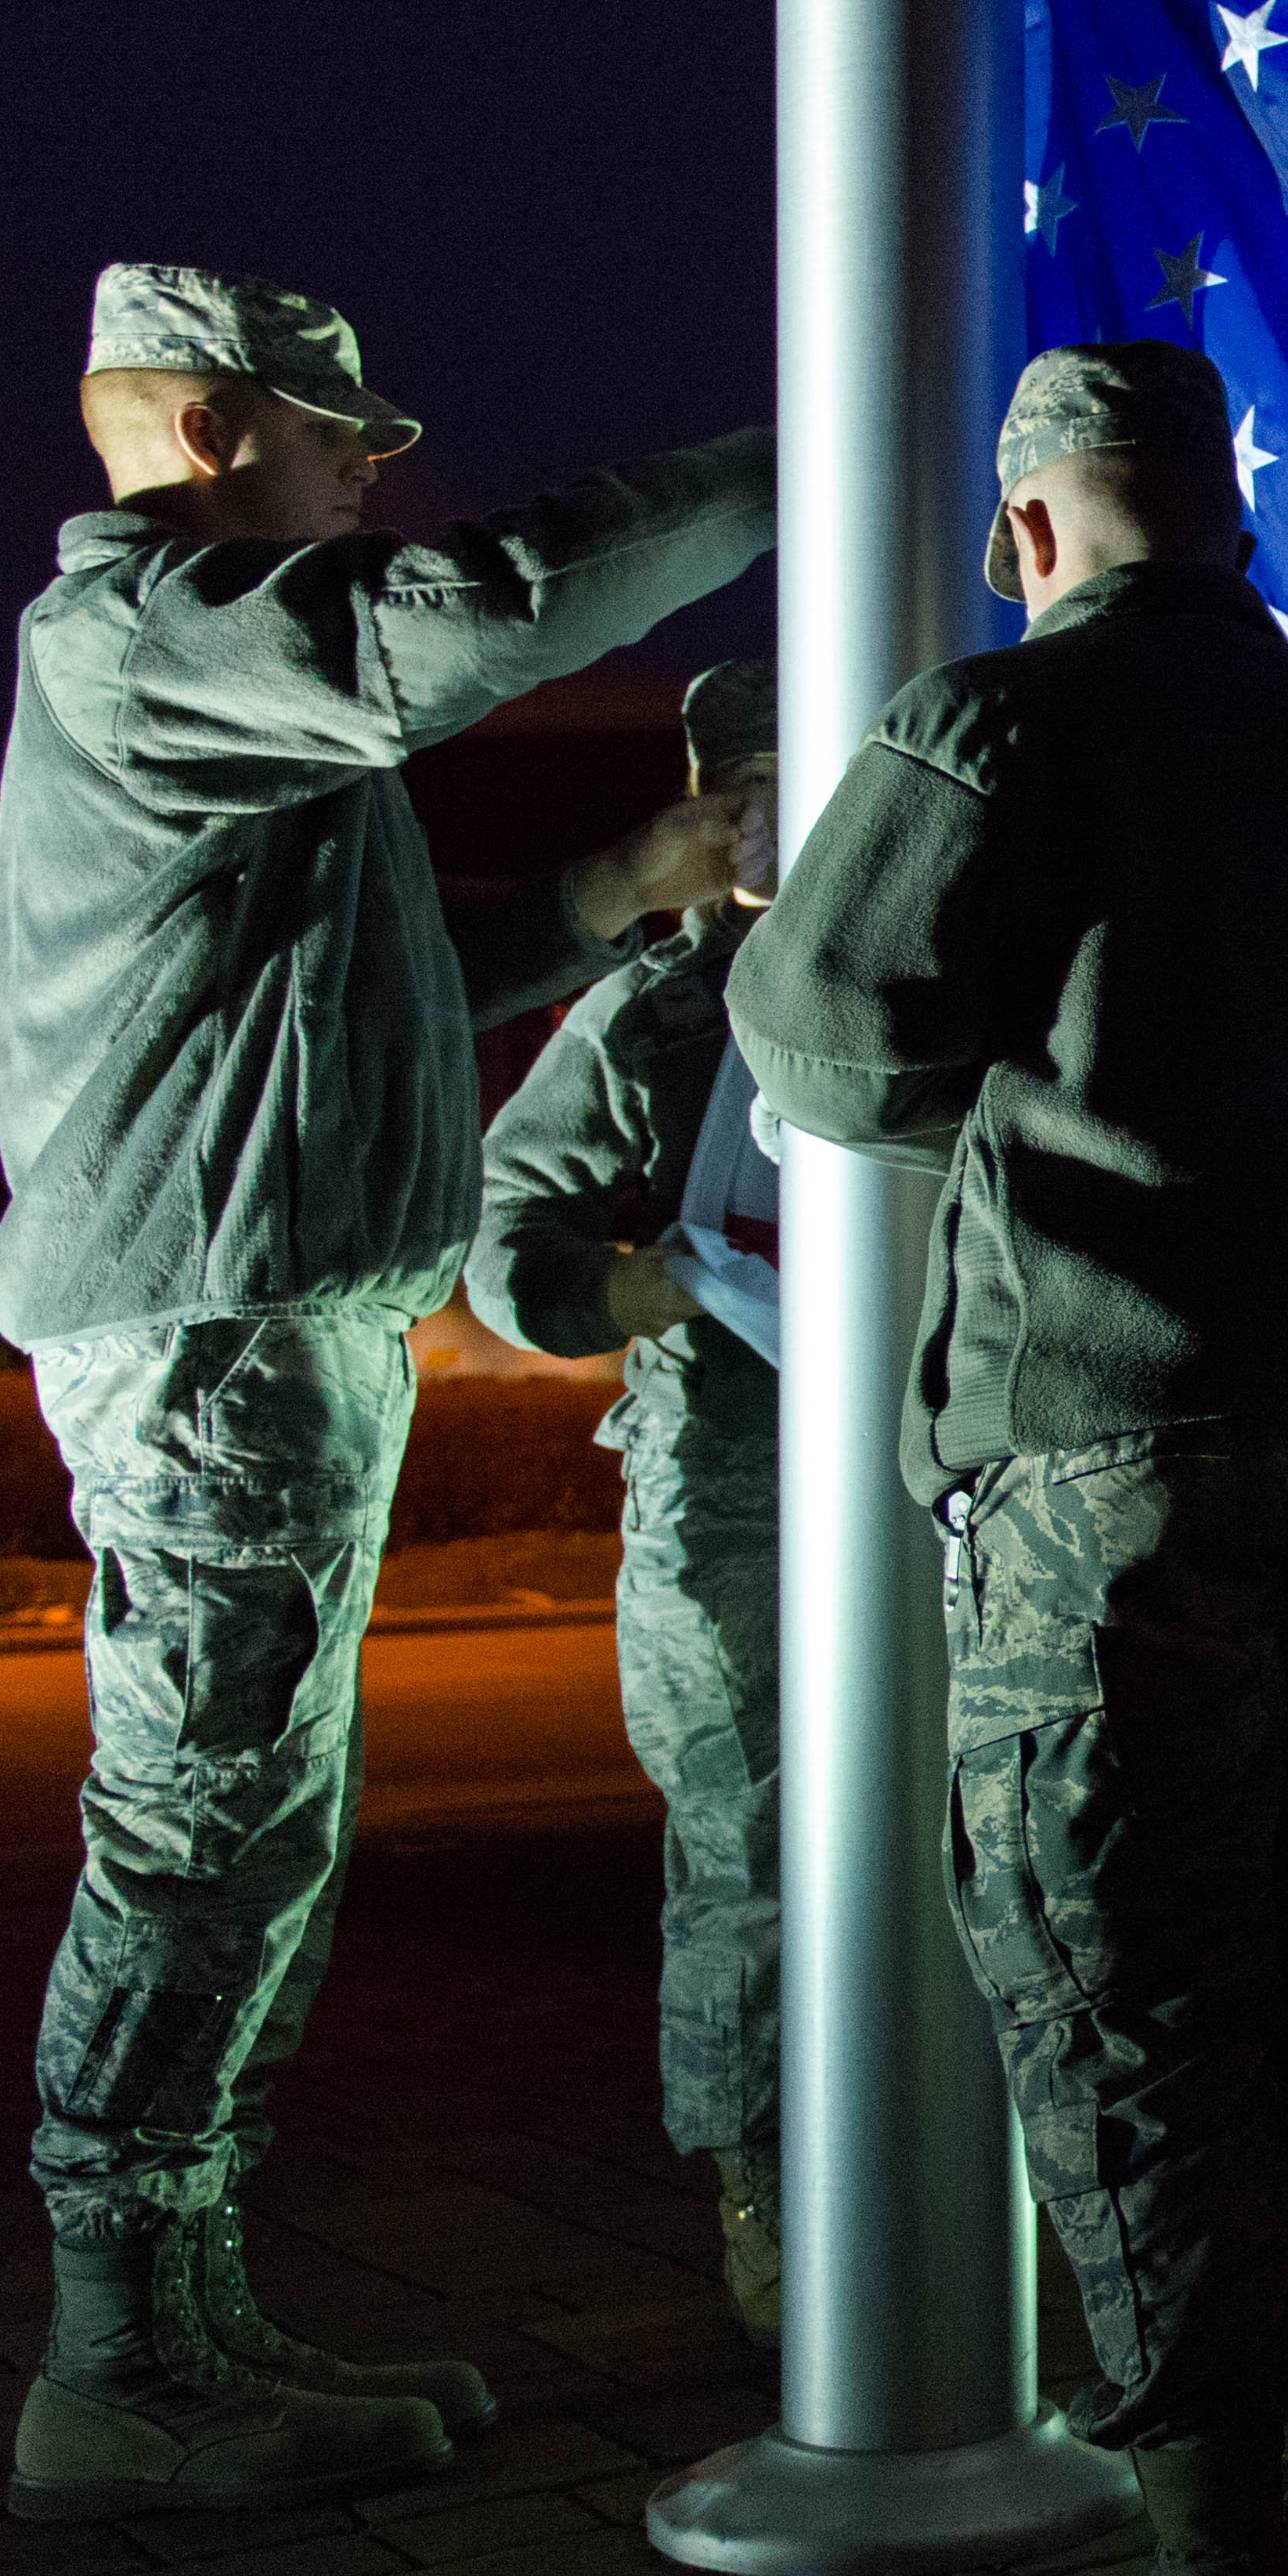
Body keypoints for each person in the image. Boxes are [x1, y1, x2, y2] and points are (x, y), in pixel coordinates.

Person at [729, 338, 1288, 2576]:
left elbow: (831, 1056)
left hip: (1120, 1453)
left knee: (1133, 1987)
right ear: (1231, 517)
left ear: (1028, 529)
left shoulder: (994, 727)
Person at [0, 265, 773, 2524]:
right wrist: (797, 442)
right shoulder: (153, 626)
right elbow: (481, 610)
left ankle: (187, 2326)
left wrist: (629, 882)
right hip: (217, 1334)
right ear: (222, 430)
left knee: (250, 1840)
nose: (385, 467)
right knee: (199, 1838)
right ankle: (120, 2365)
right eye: (351, 435)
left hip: (270, 1326)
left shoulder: (218, 701)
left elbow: (393, 977)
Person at [465, 661, 792, 2340]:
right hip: (726, 1487)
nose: (767, 819)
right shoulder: (645, 1023)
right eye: (739, 785)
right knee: (748, 1848)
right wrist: (628, 1297)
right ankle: (766, 2202)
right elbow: (506, 1239)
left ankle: (966, 2184)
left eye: (801, 778)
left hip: (924, 1481)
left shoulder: (938, 982)